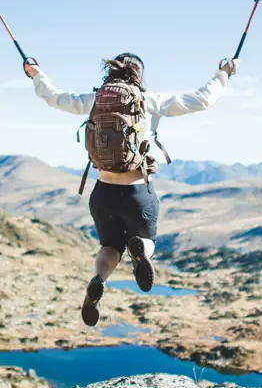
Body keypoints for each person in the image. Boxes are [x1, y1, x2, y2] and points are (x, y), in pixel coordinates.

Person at [25, 54, 238, 326]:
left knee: (109, 246)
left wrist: (35, 74)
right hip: (137, 192)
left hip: (102, 193)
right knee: (146, 239)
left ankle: (98, 280)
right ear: (139, 75)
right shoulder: (149, 101)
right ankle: (140, 252)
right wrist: (224, 74)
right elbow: (201, 100)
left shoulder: (94, 100)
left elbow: (53, 96)